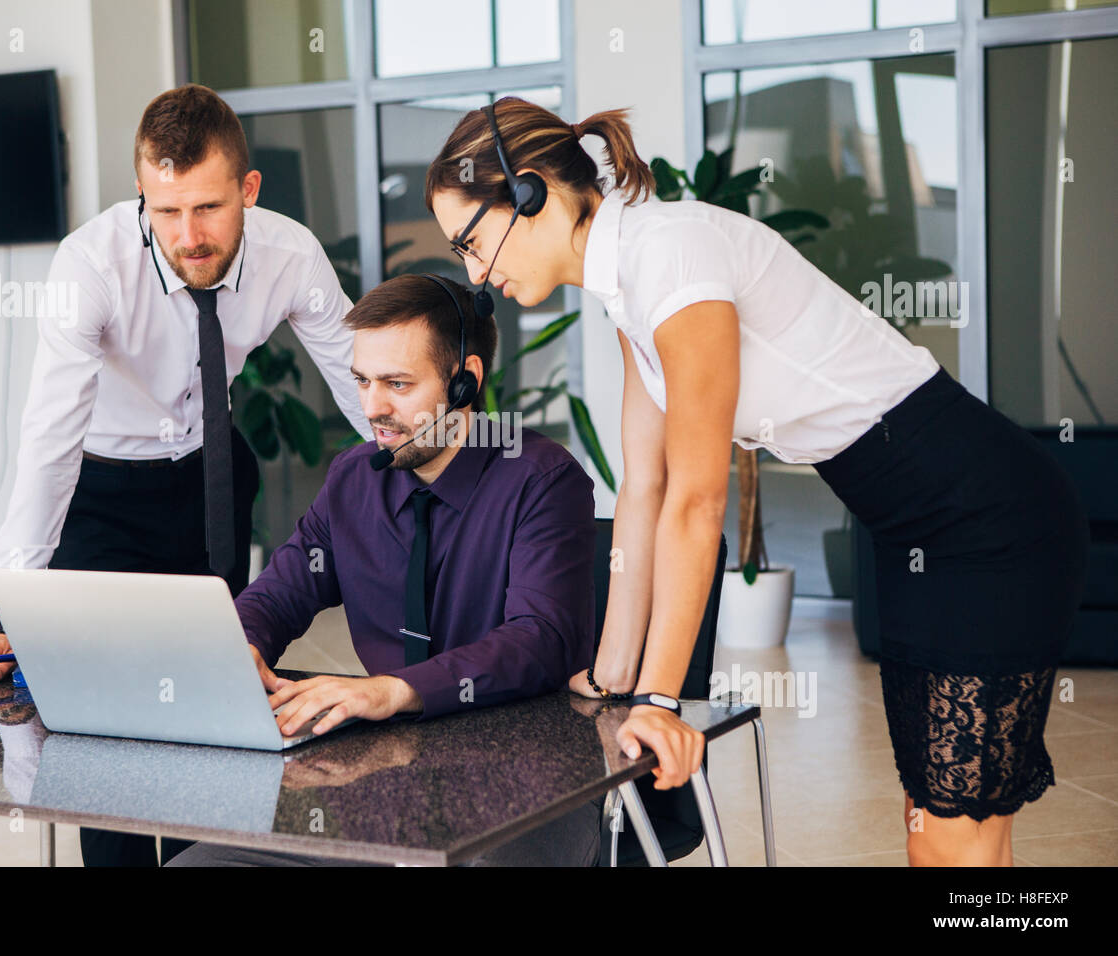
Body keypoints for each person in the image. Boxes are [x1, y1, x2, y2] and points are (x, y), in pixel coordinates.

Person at [423, 96, 1090, 866]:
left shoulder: (669, 256)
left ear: (531, 190)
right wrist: (612, 676)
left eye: (473, 242)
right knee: (934, 824)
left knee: (953, 836)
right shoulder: (627, 288)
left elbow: (699, 499)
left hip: (989, 519)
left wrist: (661, 702)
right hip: (913, 535)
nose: (476, 274)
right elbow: (645, 488)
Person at [0, 84, 372, 866]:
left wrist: (443, 480)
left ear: (248, 189)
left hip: (211, 480)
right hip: (100, 492)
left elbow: (364, 382)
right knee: (105, 721)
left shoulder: (290, 254)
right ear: (142, 191)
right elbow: (48, 442)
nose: (187, 236)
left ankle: (208, 856)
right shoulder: (89, 266)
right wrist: (10, 612)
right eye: (165, 211)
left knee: (212, 695)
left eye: (207, 208)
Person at [166, 273, 602, 866]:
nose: (374, 408)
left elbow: (540, 640)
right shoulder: (354, 478)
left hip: (531, 775)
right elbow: (282, 589)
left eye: (398, 383)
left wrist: (394, 690)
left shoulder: (542, 479)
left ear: (465, 378)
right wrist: (238, 641)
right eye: (363, 381)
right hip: (383, 778)